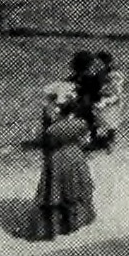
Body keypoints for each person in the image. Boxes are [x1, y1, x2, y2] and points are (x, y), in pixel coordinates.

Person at [30, 82, 96, 239]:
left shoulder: (53, 128)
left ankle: (53, 227)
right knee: (76, 189)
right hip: (75, 157)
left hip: (57, 158)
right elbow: (85, 141)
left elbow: (46, 142)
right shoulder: (80, 124)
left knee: (54, 191)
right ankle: (74, 222)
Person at [73, 49, 126, 151]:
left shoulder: (115, 75)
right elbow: (93, 87)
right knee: (92, 115)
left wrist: (105, 101)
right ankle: (95, 139)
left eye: (101, 62)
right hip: (100, 100)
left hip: (111, 101)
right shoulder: (98, 74)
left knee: (108, 118)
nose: (98, 65)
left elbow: (116, 94)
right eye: (97, 62)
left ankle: (108, 141)